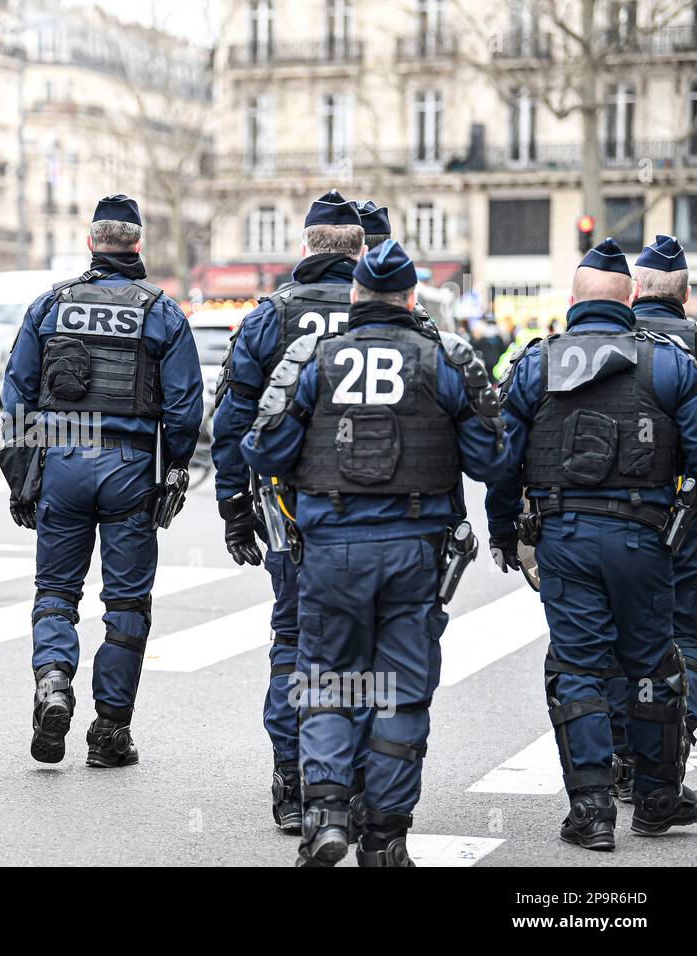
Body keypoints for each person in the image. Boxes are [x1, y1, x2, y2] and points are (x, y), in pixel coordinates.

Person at [242, 239, 507, 866]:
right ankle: (385, 838)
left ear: (357, 296)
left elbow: (263, 449)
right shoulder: (446, 356)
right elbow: (492, 458)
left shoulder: (314, 356)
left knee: (329, 681)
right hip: (414, 553)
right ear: (412, 299)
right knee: (399, 691)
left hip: (331, 550)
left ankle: (327, 816)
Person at [486, 238, 697, 850]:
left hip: (565, 538)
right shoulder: (670, 365)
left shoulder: (534, 364)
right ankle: (657, 797)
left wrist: (505, 530)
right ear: (630, 298)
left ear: (572, 301)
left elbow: (502, 462)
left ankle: (593, 810)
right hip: (645, 539)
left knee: (578, 666)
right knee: (654, 665)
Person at [0, 194, 203, 770]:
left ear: (91, 242)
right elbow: (186, 406)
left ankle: (53, 683)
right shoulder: (160, 312)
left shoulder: (50, 306)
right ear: (138, 245)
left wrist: (22, 474)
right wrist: (173, 469)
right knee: (127, 602)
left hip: (62, 461)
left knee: (56, 593)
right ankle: (110, 729)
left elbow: (14, 397)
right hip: (129, 466)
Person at [210, 189, 367, 831]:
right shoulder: (388, 315)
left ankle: (291, 778)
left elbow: (231, 423)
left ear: (303, 247)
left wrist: (233, 510)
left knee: (294, 637)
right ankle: (350, 780)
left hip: (289, 508)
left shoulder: (270, 316)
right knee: (369, 647)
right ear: (362, 250)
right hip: (380, 515)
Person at [631, 234, 697, 751]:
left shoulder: (601, 340)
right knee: (688, 632)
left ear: (635, 290)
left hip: (619, 512)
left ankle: (624, 754)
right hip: (688, 512)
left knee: (617, 637)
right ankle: (674, 747)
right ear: (685, 293)